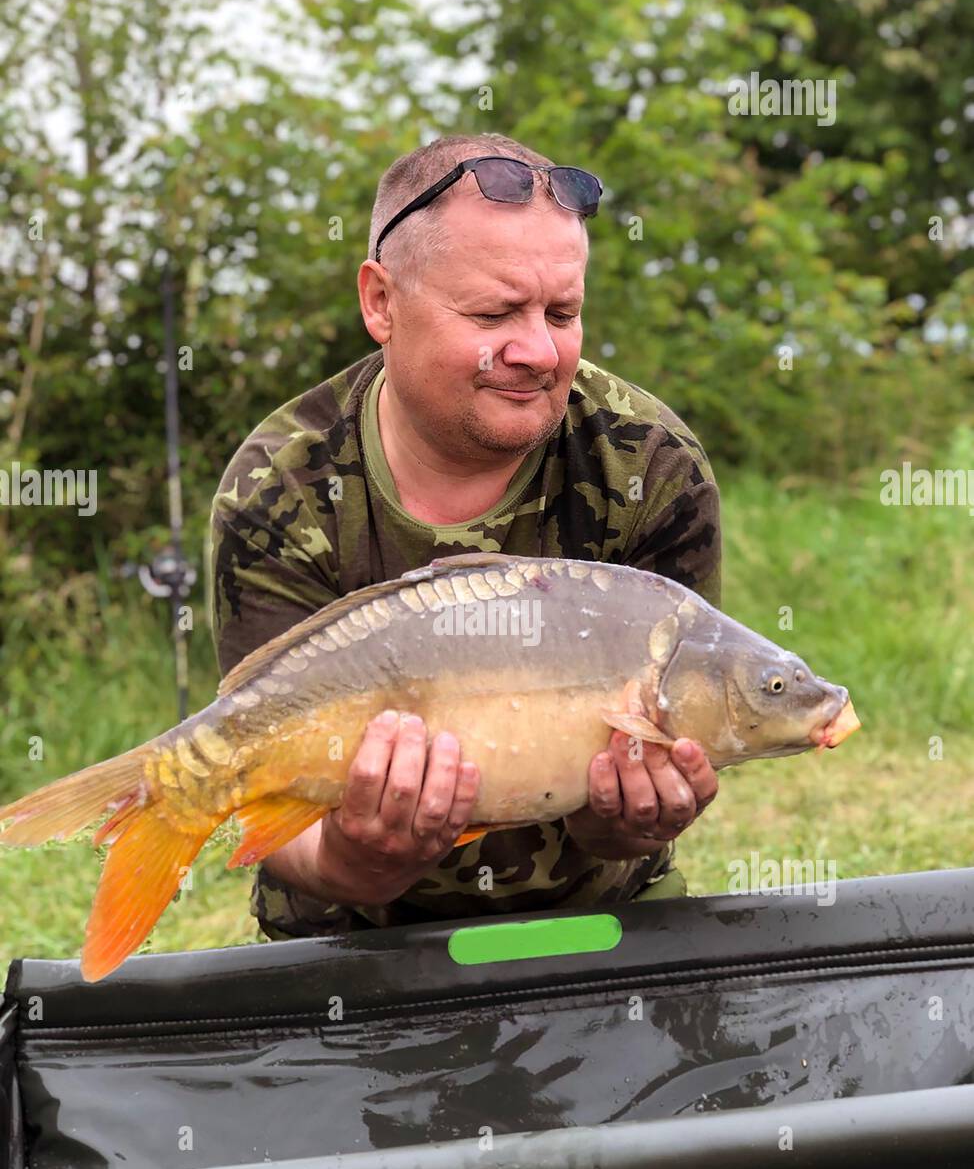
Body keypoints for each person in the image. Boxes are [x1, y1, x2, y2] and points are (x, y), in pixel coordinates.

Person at [210, 133, 722, 942]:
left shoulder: (649, 462)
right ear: (381, 303)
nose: (538, 351)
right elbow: (261, 794)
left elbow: (677, 740)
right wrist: (357, 862)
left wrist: (631, 821)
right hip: (354, 942)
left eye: (563, 312)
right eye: (492, 313)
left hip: (598, 925)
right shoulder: (280, 487)